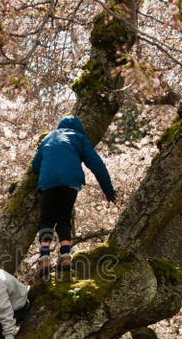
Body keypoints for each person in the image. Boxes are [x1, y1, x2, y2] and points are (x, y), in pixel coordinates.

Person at [30, 116, 117, 274]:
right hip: (70, 182)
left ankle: (44, 258)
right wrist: (108, 190)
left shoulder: (49, 137)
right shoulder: (79, 138)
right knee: (64, 217)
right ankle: (65, 255)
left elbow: (35, 166)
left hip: (48, 182)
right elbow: (97, 165)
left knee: (47, 220)